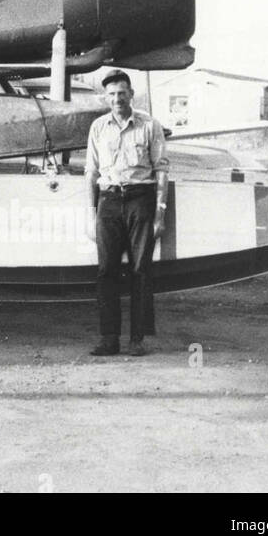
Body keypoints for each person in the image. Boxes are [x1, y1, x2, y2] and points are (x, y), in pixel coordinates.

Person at [85, 70, 169, 357]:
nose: (117, 99)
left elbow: (161, 170)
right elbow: (91, 172)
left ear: (131, 94)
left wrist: (160, 212)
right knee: (106, 270)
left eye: (122, 93)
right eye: (111, 94)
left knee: (140, 271)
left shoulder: (150, 125)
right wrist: (91, 212)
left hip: (140, 200)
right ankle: (109, 338)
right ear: (105, 97)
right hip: (108, 199)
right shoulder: (98, 127)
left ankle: (137, 339)